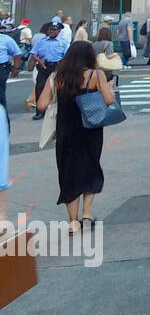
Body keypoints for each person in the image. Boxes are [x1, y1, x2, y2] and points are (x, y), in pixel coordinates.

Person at [36, 41, 114, 232]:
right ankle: (87, 214)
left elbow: (41, 105)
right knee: (91, 168)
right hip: (90, 130)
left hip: (66, 131)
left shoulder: (56, 77)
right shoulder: (96, 75)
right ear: (90, 57)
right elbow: (109, 100)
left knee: (69, 172)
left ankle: (73, 222)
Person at [30, 22, 68, 120]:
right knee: (40, 88)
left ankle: (58, 111)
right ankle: (40, 112)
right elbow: (34, 53)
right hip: (43, 67)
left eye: (54, 30)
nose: (51, 32)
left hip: (56, 67)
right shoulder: (42, 41)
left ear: (59, 31)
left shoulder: (63, 42)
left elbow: (66, 56)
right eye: (50, 30)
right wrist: (39, 60)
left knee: (58, 89)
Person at [0, 29, 22, 123]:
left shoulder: (6, 39)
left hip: (1, 68)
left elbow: (17, 53)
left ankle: (4, 122)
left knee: (0, 96)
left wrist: (16, 68)